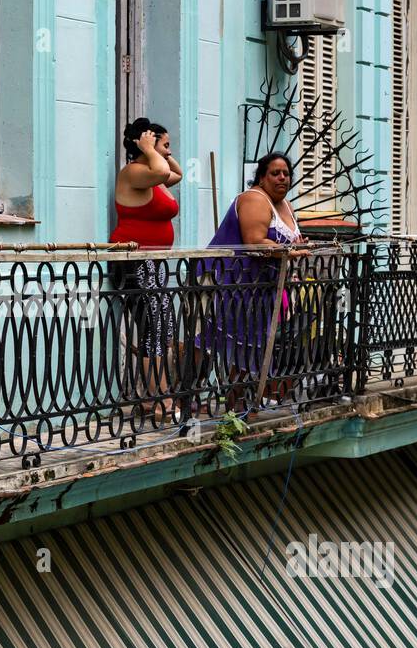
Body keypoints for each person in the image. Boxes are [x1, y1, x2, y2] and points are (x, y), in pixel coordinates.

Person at [194, 152, 305, 408]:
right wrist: (288, 251)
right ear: (262, 177)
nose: (282, 178)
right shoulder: (255, 199)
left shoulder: (285, 205)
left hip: (262, 287)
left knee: (251, 345)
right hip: (233, 282)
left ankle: (238, 403)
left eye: (286, 173)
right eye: (275, 173)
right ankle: (186, 395)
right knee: (216, 339)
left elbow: (285, 242)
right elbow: (255, 242)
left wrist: (296, 248)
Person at [111, 118, 183, 423]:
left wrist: (160, 150)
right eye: (165, 144)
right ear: (146, 144)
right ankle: (161, 400)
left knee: (163, 329)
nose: (169, 151)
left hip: (154, 263)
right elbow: (164, 172)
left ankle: (151, 397)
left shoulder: (155, 172)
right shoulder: (135, 172)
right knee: (154, 329)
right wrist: (149, 148)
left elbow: (175, 174)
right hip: (135, 263)